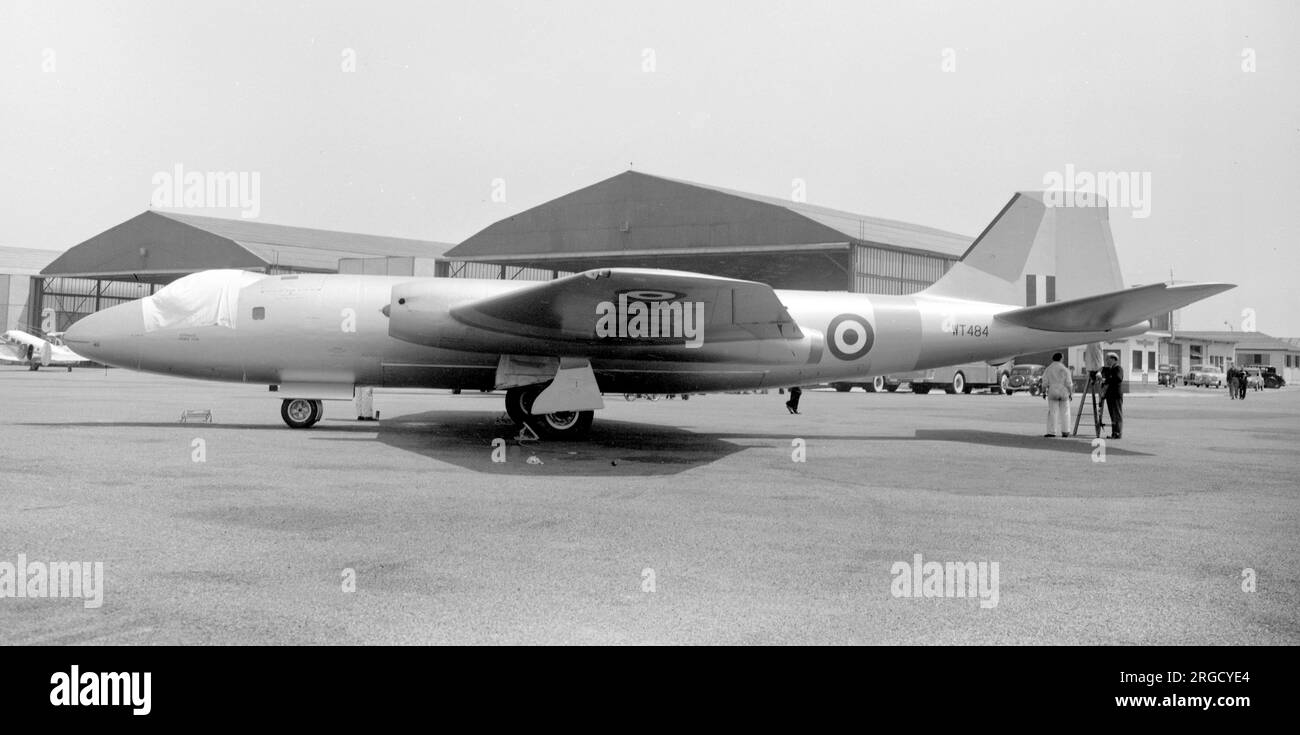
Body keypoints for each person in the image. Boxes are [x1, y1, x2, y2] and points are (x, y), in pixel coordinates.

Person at [1041, 352, 1073, 437]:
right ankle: (1066, 431)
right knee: (1065, 412)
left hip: (1052, 391)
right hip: (1063, 391)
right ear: (1061, 358)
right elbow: (1069, 383)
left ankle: (1052, 432)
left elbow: (1044, 382)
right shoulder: (1065, 369)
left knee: (1053, 412)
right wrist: (1071, 393)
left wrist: (1043, 392)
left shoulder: (1048, 369)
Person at [1100, 353, 1124, 439]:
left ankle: (1117, 433)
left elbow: (1118, 378)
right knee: (1112, 415)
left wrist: (1107, 379)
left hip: (1116, 395)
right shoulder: (1110, 369)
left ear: (1114, 359)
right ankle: (1114, 433)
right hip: (1110, 395)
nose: (1106, 361)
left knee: (1117, 414)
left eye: (1108, 359)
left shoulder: (1118, 368)